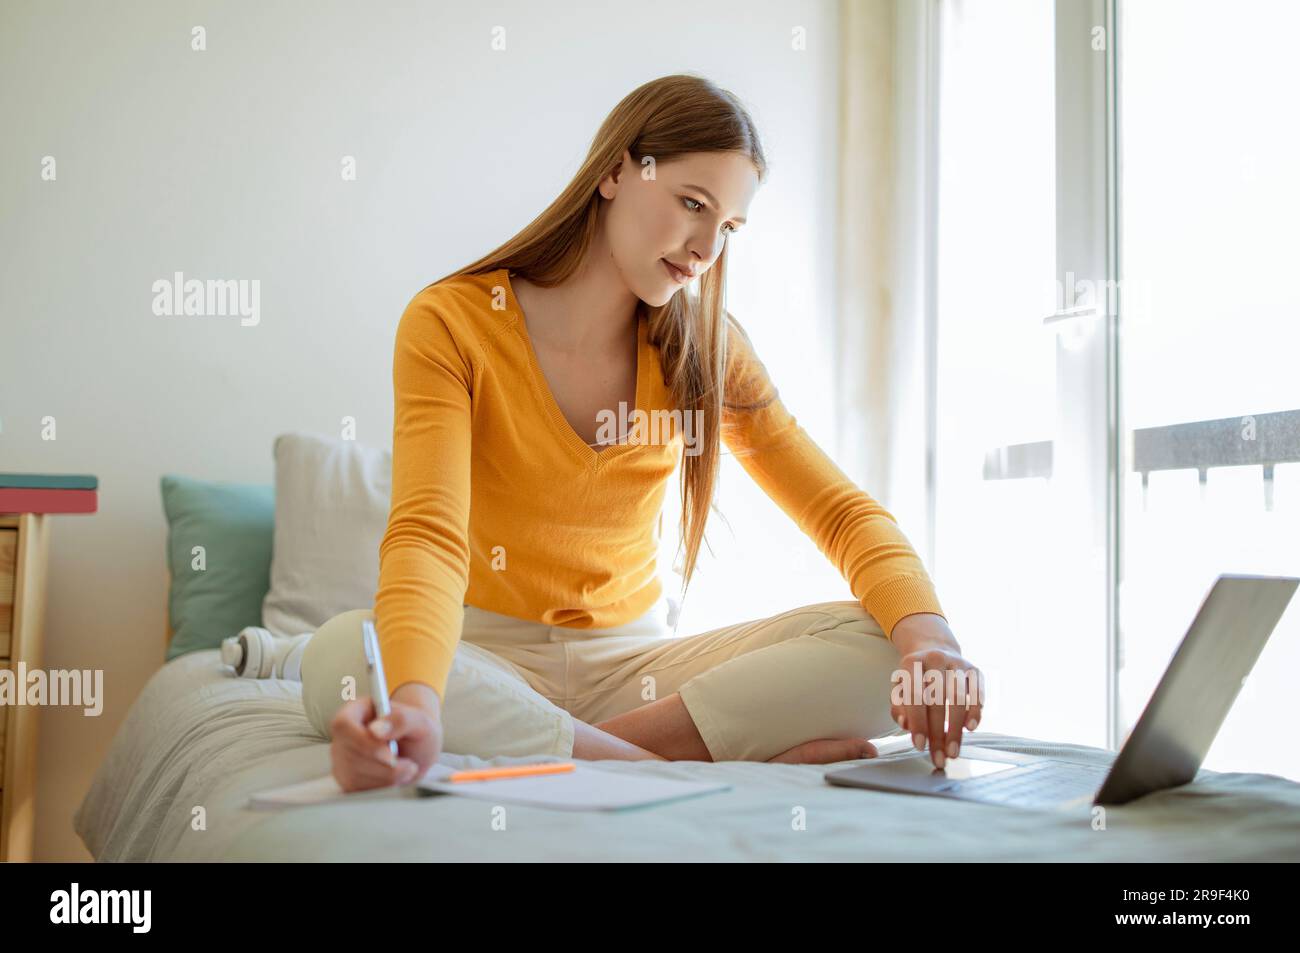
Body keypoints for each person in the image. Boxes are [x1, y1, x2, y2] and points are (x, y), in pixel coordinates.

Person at [303, 73, 985, 792]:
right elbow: (427, 535)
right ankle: (674, 766)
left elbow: (842, 514)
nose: (704, 248)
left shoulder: (708, 352)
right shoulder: (452, 322)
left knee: (883, 643)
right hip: (487, 656)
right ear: (613, 172)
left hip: (638, 676)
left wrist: (931, 641)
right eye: (692, 204)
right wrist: (415, 700)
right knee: (339, 654)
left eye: (727, 227)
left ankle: (587, 752)